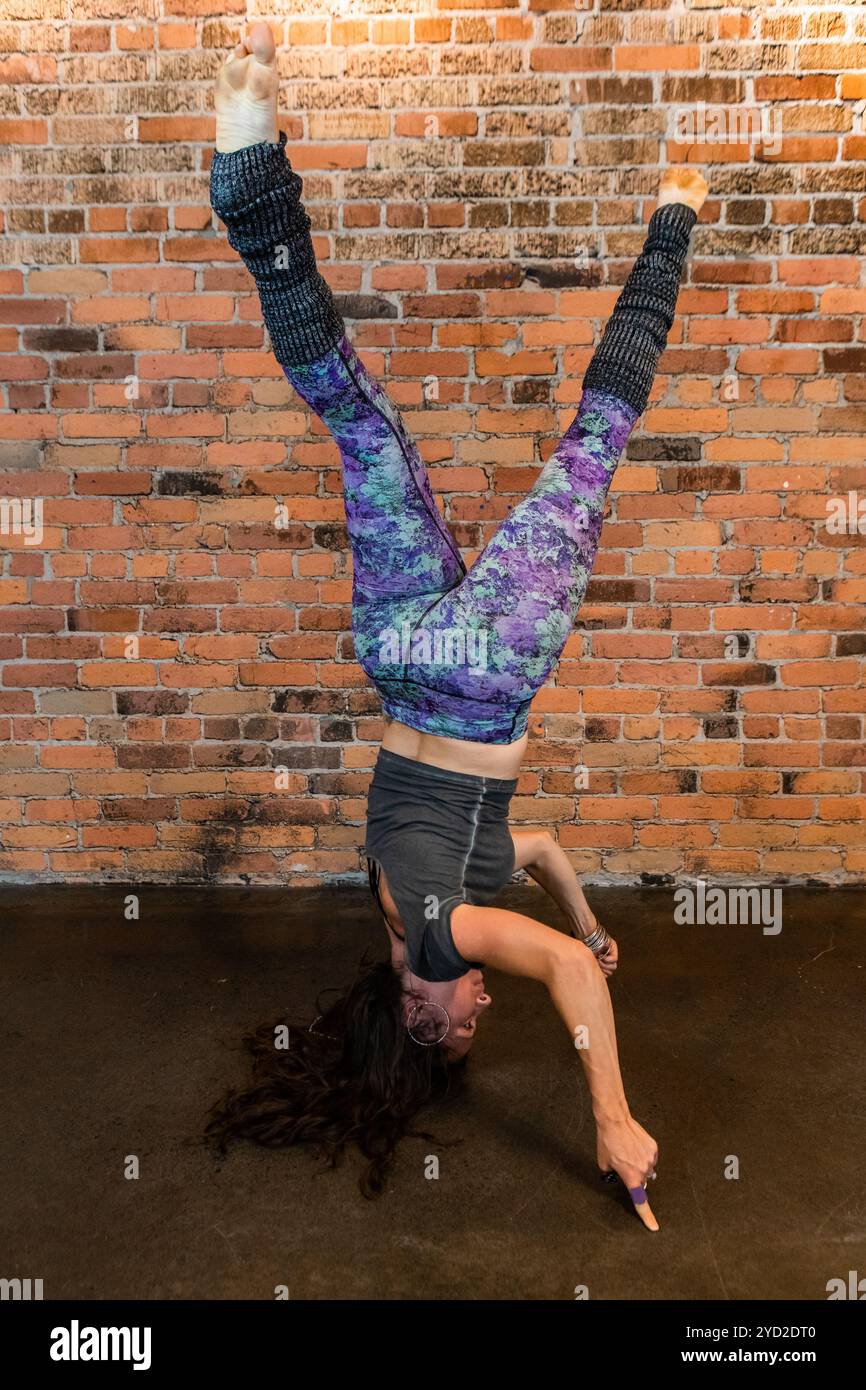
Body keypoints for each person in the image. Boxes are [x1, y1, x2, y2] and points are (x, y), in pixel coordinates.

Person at [205, 23, 708, 1229]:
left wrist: (607, 1107)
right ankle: (250, 184)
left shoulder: (432, 944)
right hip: (400, 658)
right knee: (361, 426)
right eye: (472, 1024)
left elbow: (559, 973)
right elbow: (531, 858)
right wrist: (587, 914)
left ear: (414, 1007)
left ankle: (676, 218)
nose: (471, 1016)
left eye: (452, 1034)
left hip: (480, 679)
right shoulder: (405, 894)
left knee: (591, 454)